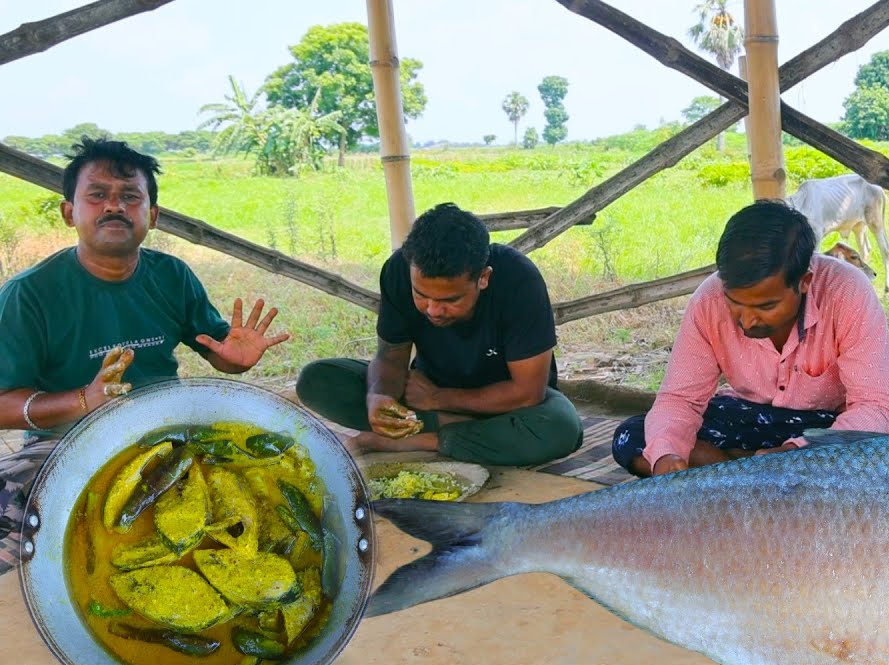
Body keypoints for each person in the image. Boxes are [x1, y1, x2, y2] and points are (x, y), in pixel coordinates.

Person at [0, 137, 289, 575]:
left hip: (170, 435)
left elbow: (217, 350)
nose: (114, 206)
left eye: (130, 196)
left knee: (266, 491)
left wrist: (235, 360)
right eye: (97, 195)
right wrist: (83, 401)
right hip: (65, 443)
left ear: (151, 216)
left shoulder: (171, 276)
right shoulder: (29, 295)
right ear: (68, 212)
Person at [612, 200, 889, 477]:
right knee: (634, 438)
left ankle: (732, 477)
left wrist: (797, 452)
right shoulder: (709, 299)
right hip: (746, 418)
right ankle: (761, 480)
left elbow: (879, 406)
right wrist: (667, 458)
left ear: (804, 282)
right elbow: (680, 399)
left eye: (767, 306)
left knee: (875, 452)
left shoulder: (847, 292)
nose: (747, 320)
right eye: (735, 302)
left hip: (823, 426)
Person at [296, 202, 582, 466]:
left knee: (561, 428)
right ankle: (459, 430)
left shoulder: (520, 281)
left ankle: (418, 440)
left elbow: (527, 393)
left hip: (507, 408)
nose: (432, 310)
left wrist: (437, 398)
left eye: (449, 301)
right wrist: (379, 396)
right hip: (424, 395)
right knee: (317, 380)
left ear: (483, 278)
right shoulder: (398, 270)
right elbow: (390, 354)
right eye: (421, 296)